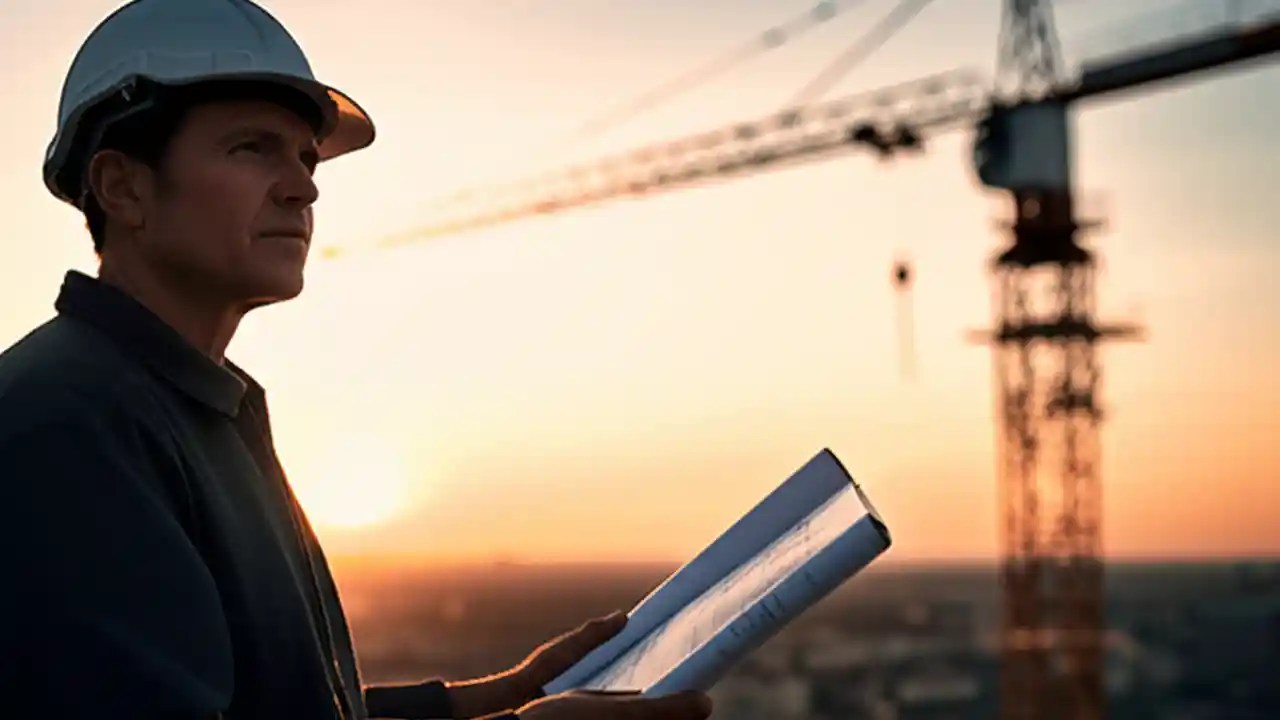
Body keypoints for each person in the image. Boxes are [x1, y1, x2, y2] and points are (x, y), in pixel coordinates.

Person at [0, 2, 714, 719]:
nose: (302, 186)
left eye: (306, 157)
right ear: (123, 187)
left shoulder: (195, 410)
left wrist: (486, 701)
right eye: (251, 148)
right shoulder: (63, 425)